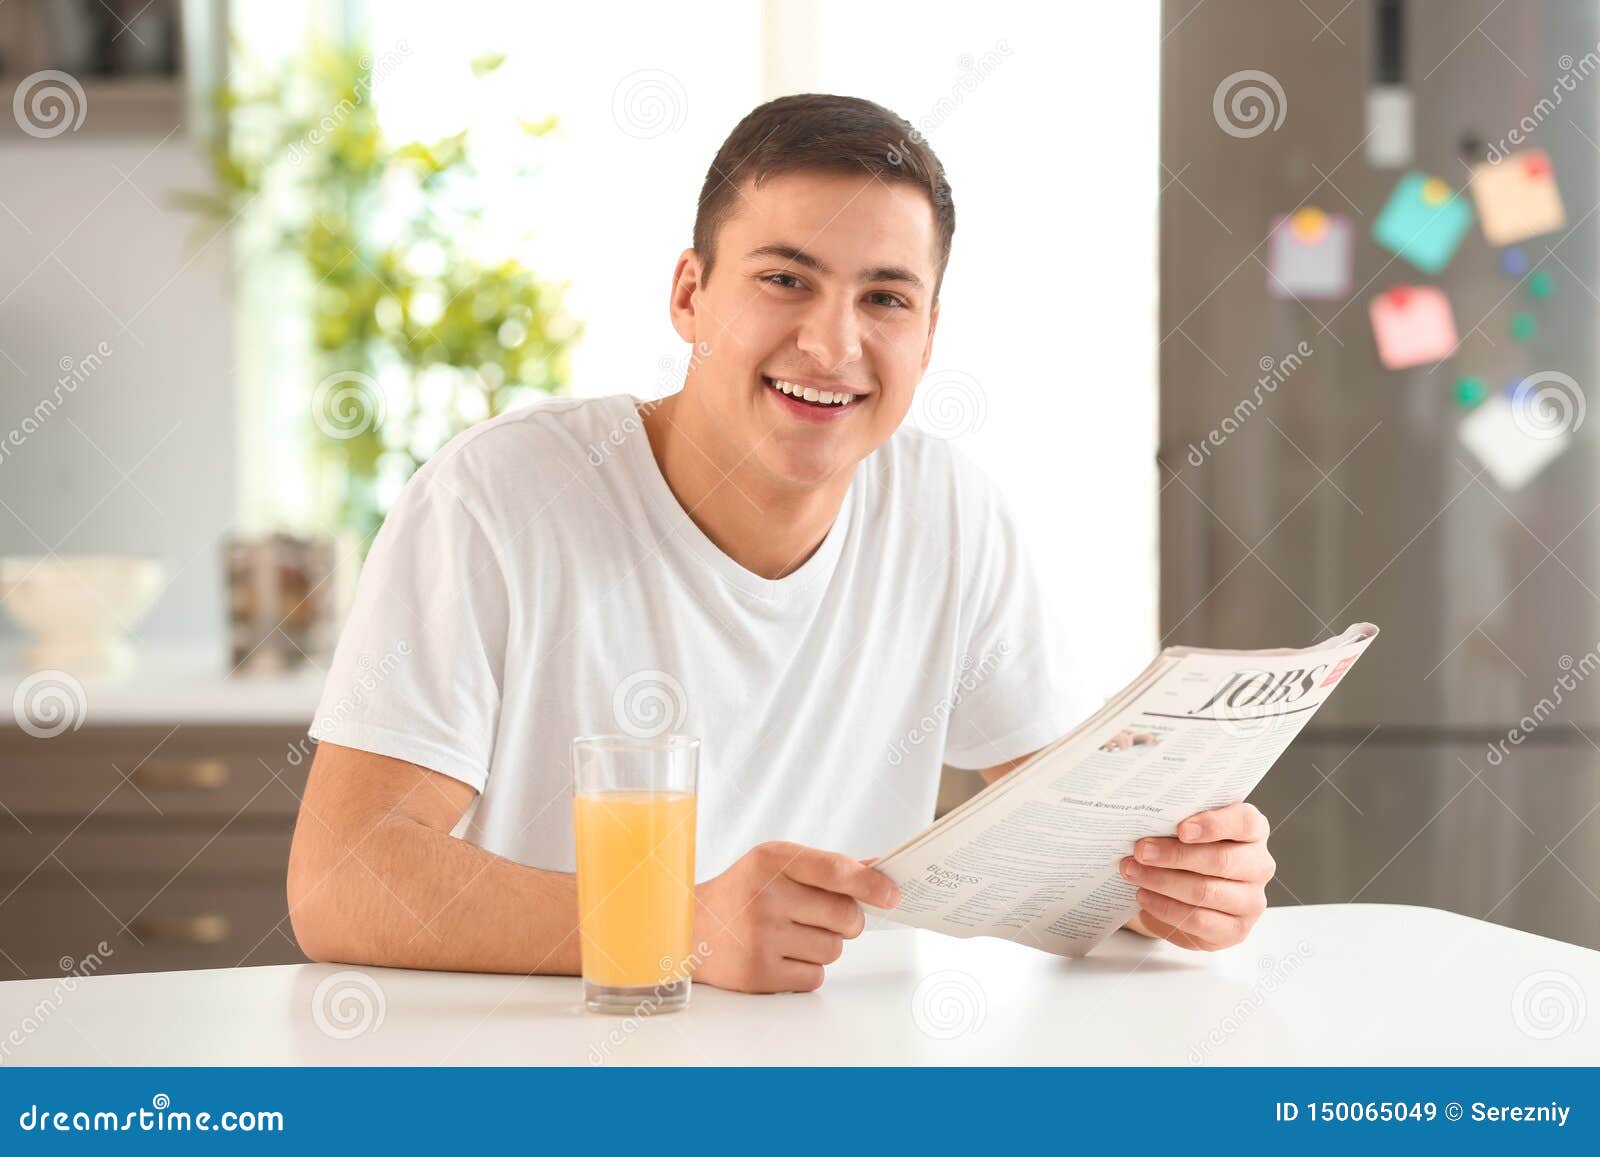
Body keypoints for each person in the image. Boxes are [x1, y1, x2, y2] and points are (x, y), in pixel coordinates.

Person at [286, 93, 1275, 993]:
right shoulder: (498, 497)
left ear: (928, 335)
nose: (831, 345)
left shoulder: (946, 510)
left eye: (885, 298)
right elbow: (342, 877)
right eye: (785, 279)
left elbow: (1065, 840)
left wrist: (1171, 881)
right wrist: (677, 928)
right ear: (690, 295)